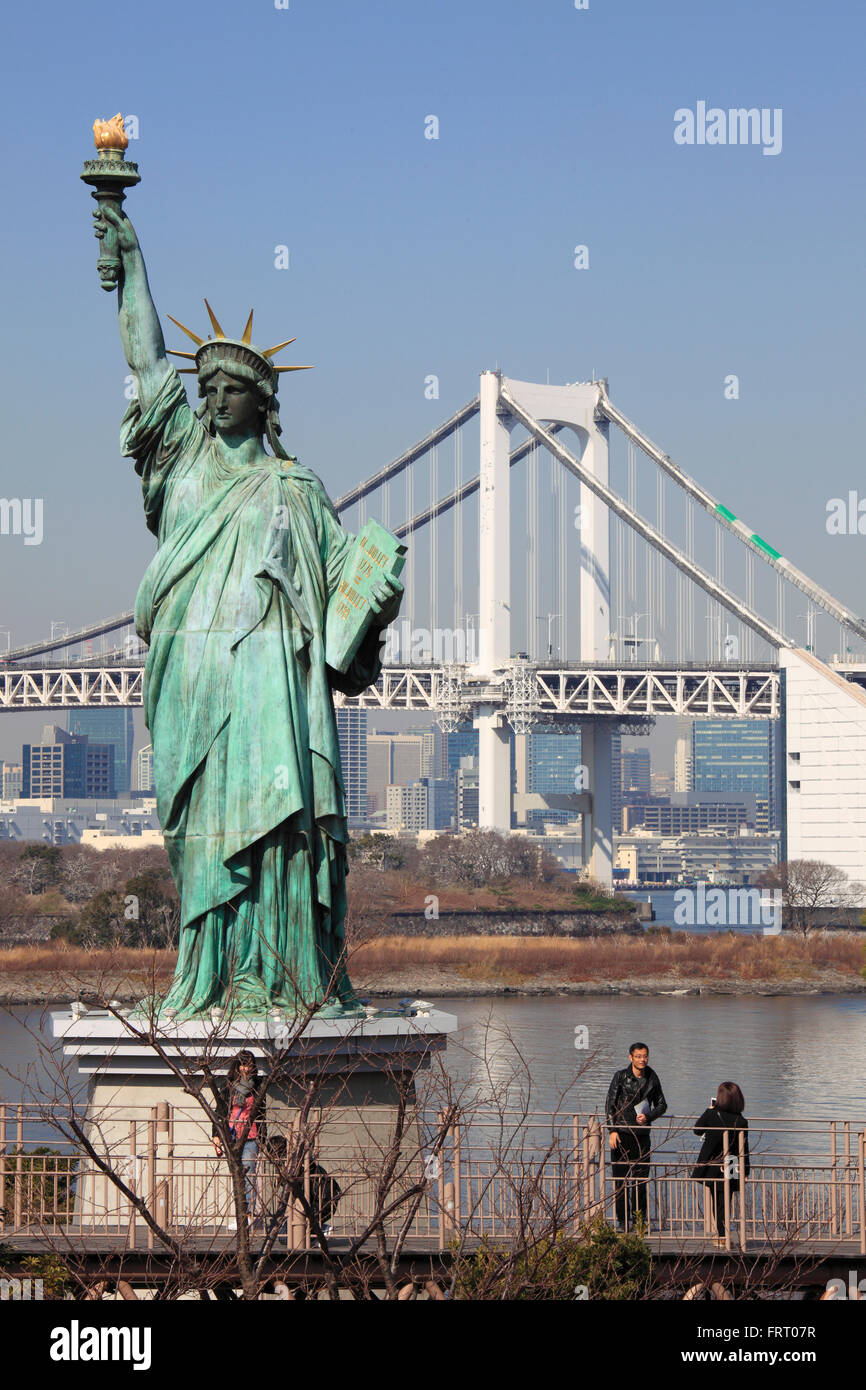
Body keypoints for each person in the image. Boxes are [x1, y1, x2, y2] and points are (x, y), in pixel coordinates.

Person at [92, 202, 403, 1018]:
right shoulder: (184, 459)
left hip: (270, 679)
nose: (216, 398)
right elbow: (148, 360)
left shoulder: (297, 490)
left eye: (233, 389)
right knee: (201, 832)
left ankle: (286, 973)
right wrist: (131, 262)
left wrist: (378, 595)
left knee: (278, 829)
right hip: (192, 677)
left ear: (265, 404)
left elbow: (343, 597)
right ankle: (210, 972)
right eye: (210, 387)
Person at [605, 1041, 668, 1231]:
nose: (643, 1060)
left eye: (645, 1056)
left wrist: (648, 1116)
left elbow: (662, 1104)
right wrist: (612, 1130)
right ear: (630, 1057)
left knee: (640, 1181)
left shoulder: (652, 1077)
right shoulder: (620, 1077)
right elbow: (610, 1104)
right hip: (622, 1134)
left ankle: (639, 1221)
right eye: (639, 1056)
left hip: (641, 1135)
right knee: (620, 1181)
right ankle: (622, 1222)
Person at [691, 1082, 750, 1247]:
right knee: (725, 1201)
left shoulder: (712, 1115)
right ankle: (723, 1234)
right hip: (731, 1163)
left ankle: (722, 1236)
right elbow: (744, 1149)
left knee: (716, 1200)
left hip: (712, 1163)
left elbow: (697, 1130)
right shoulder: (741, 1121)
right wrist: (746, 1171)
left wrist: (709, 1110)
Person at [212, 1050, 263, 1220]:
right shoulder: (228, 1086)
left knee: (249, 1175)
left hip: (250, 1135)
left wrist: (263, 1138)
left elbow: (262, 1113)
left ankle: (248, 1214)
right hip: (231, 1136)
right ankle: (239, 1215)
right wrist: (216, 1135)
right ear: (237, 1065)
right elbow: (219, 1111)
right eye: (243, 1064)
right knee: (236, 1175)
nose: (246, 1068)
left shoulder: (257, 1086)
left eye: (249, 1064)